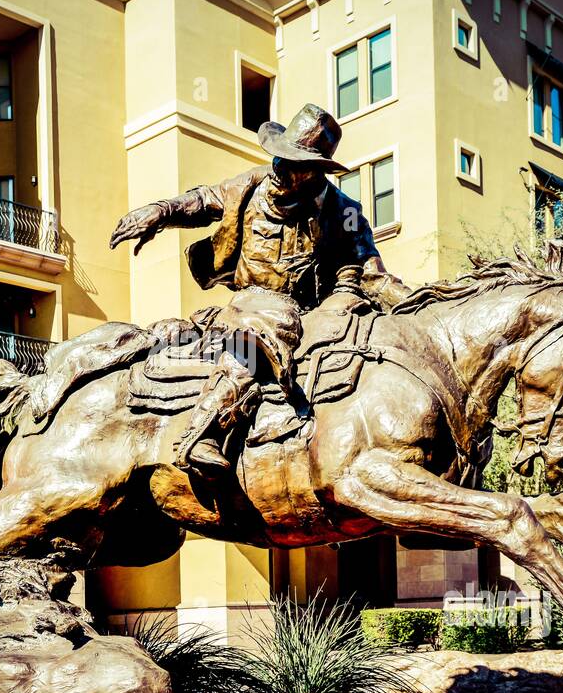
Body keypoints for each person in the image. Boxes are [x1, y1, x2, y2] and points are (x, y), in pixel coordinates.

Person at [109, 103, 410, 474]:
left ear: (314, 171)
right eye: (279, 158)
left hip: (315, 312)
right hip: (255, 305)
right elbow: (204, 200)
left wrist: (415, 303)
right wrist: (160, 212)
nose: (279, 168)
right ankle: (203, 432)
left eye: (291, 163)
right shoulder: (252, 185)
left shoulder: (343, 209)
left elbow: (368, 269)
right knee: (262, 331)